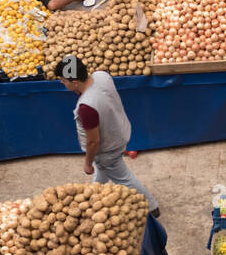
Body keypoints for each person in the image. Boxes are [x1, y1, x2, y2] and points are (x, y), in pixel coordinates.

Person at [55, 56, 159, 213]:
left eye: (64, 80)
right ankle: (91, 199)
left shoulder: (87, 107)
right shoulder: (101, 75)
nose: (62, 83)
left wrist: (88, 163)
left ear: (75, 82)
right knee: (101, 174)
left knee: (123, 178)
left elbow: (93, 141)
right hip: (119, 131)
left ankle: (152, 206)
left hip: (107, 148)